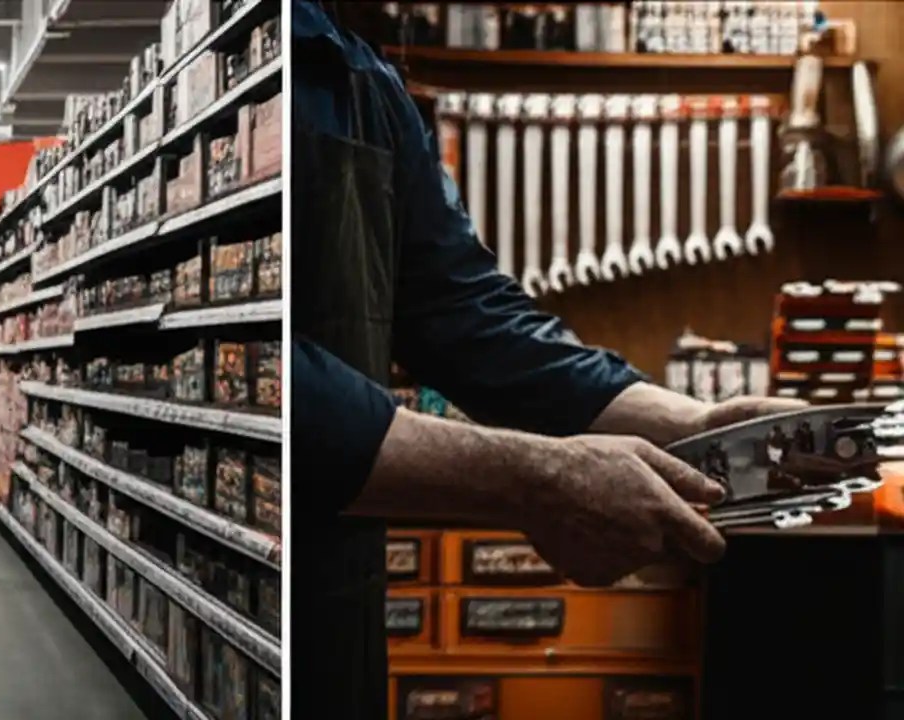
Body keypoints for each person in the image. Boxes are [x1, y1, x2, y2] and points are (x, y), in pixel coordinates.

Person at [289, 2, 805, 717]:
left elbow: (465, 316)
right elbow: (263, 381)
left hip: (330, 608)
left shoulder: (355, 72)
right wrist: (532, 477)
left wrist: (696, 422)